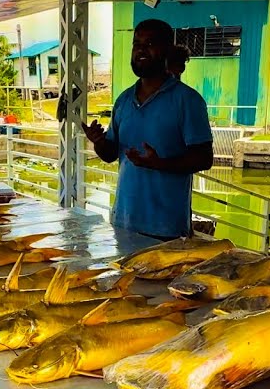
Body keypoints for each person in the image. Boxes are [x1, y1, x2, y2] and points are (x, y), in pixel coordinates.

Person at [84, 19, 214, 241]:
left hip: (167, 230)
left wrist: (159, 164)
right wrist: (99, 142)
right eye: (137, 44)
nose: (141, 50)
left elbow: (204, 159)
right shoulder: (123, 101)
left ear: (167, 50)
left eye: (150, 43)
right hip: (123, 223)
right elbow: (110, 155)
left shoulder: (188, 100)